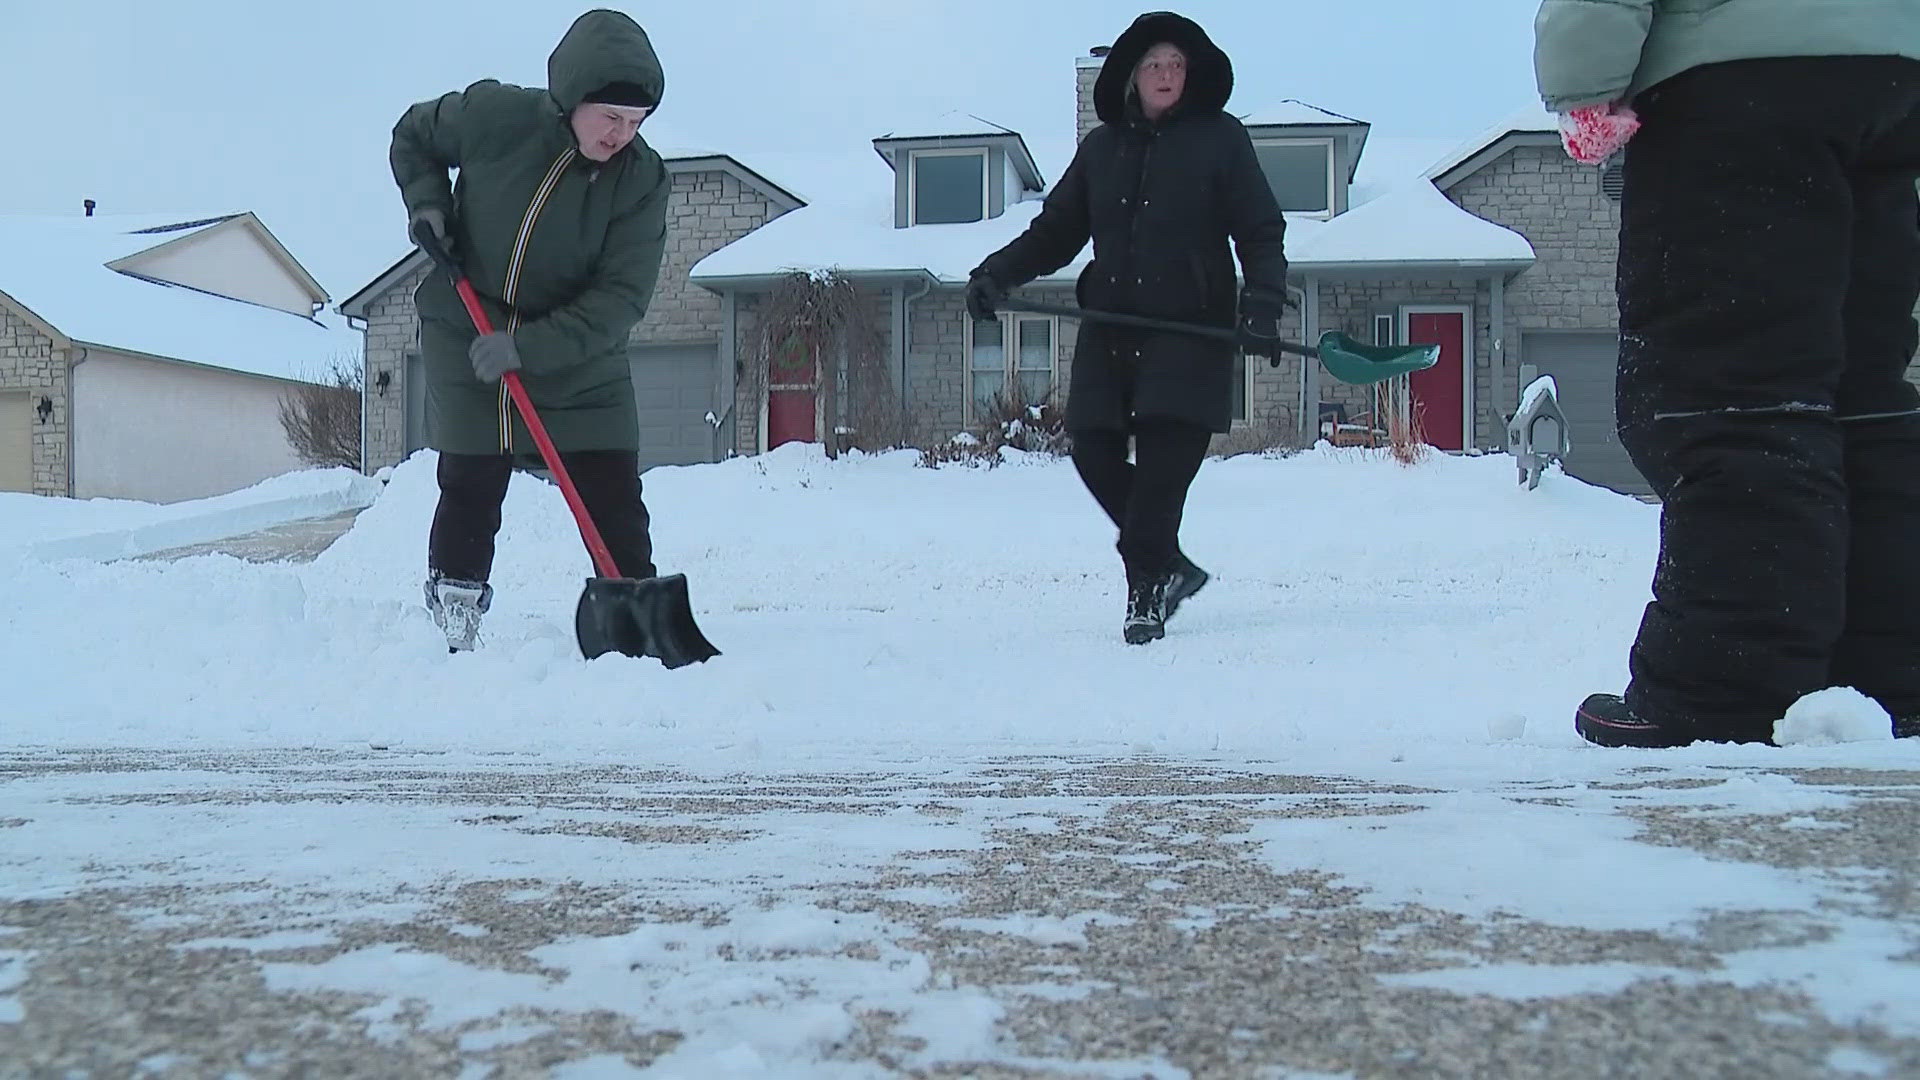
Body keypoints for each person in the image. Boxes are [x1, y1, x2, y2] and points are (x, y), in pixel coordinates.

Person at [1534, 1, 1920, 745]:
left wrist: (1586, 87)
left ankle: (1724, 690)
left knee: (1732, 386)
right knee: (1862, 392)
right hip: (1895, 80)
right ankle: (1890, 678)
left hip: (1736, 85)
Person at [966, 11, 1289, 645]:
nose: (1166, 75)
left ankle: (1145, 590)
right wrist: (995, 275)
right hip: (1110, 326)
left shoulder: (1221, 139)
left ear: (1189, 74)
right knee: (1090, 442)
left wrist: (1263, 307)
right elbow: (1055, 230)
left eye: (1175, 65)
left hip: (1191, 329)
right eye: (1153, 66)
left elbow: (1259, 228)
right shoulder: (1102, 149)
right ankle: (1166, 564)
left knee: (1168, 462)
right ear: (1132, 78)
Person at [389, 8, 671, 651]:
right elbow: (413, 136)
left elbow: (621, 298)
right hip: (468, 320)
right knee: (471, 477)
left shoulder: (642, 181)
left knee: (611, 483)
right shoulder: (497, 118)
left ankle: (632, 614)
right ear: (573, 97)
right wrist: (429, 204)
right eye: (611, 117)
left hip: (576, 348)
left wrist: (530, 346)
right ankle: (455, 613)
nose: (622, 135)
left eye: (636, 123)